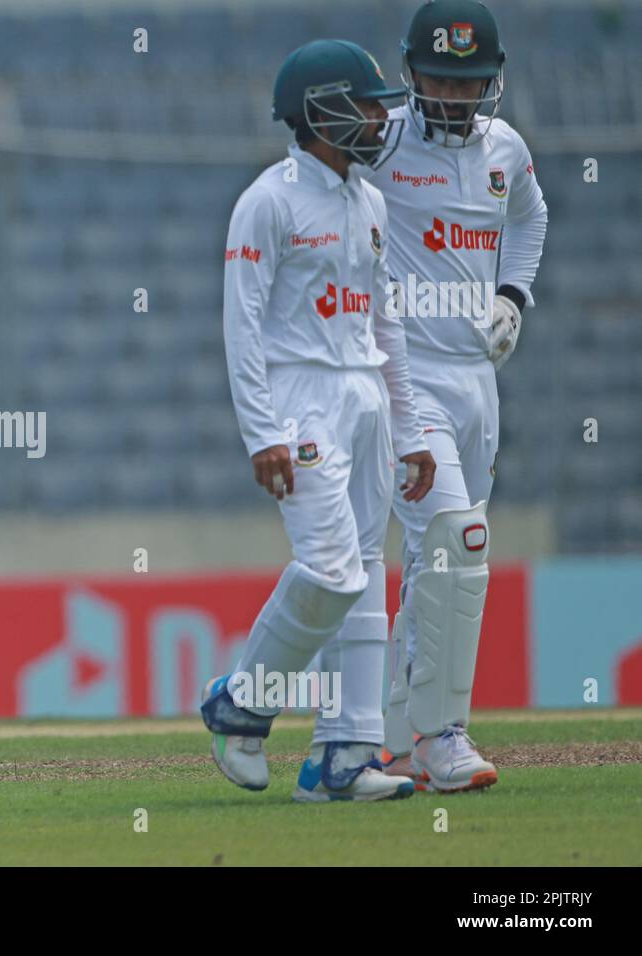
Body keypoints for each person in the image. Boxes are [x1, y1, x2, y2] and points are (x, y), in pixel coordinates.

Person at [201, 39, 437, 802]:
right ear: (323, 111)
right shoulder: (267, 200)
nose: (380, 118)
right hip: (299, 399)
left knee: (366, 573)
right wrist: (260, 431)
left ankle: (345, 757)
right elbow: (241, 324)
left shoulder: (369, 203)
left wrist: (411, 428)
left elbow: (388, 323)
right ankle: (244, 703)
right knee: (333, 569)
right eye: (367, 105)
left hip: (364, 394)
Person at [366, 0, 546, 792]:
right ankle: (443, 738)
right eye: (439, 76)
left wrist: (513, 295)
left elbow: (531, 219)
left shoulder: (505, 148)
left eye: (469, 80)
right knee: (457, 542)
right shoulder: (384, 142)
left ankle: (390, 735)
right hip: (406, 383)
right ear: (410, 72)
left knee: (436, 559)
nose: (453, 93)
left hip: (478, 385)